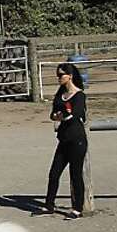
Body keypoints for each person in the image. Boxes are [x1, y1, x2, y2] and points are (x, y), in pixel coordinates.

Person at [44, 61, 88, 219]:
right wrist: (56, 116)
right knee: (54, 173)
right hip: (63, 140)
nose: (59, 78)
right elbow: (53, 114)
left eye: (61, 75)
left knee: (75, 174)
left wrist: (63, 115)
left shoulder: (79, 95)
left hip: (77, 140)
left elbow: (75, 115)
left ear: (70, 76)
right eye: (58, 75)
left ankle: (78, 208)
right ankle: (49, 205)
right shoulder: (60, 94)